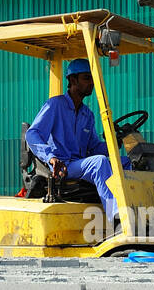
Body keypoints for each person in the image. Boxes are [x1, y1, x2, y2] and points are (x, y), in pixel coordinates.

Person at [25, 59, 129, 224]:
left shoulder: (87, 114)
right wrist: (50, 157)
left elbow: (94, 148)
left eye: (92, 79)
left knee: (124, 162)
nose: (91, 83)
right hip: (63, 166)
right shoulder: (55, 105)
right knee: (99, 163)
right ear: (73, 80)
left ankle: (134, 208)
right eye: (87, 78)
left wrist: (113, 143)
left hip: (79, 164)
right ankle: (117, 218)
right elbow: (32, 134)